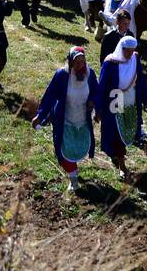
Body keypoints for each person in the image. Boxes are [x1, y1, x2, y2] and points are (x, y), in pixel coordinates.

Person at [33, 46, 99, 193]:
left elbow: (96, 91)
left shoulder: (90, 74)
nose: (80, 65)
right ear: (70, 62)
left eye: (82, 62)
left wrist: (93, 103)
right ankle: (73, 179)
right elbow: (49, 95)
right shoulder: (62, 75)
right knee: (63, 150)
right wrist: (40, 115)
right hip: (65, 119)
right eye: (76, 62)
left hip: (82, 119)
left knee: (78, 145)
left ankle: (73, 169)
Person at [96, 35, 147, 182]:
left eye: (132, 51)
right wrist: (99, 108)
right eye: (127, 51)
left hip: (131, 100)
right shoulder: (110, 63)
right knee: (117, 131)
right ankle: (122, 164)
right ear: (121, 48)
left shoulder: (135, 59)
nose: (130, 54)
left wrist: (144, 98)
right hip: (115, 99)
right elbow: (102, 86)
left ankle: (119, 154)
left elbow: (141, 79)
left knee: (128, 128)